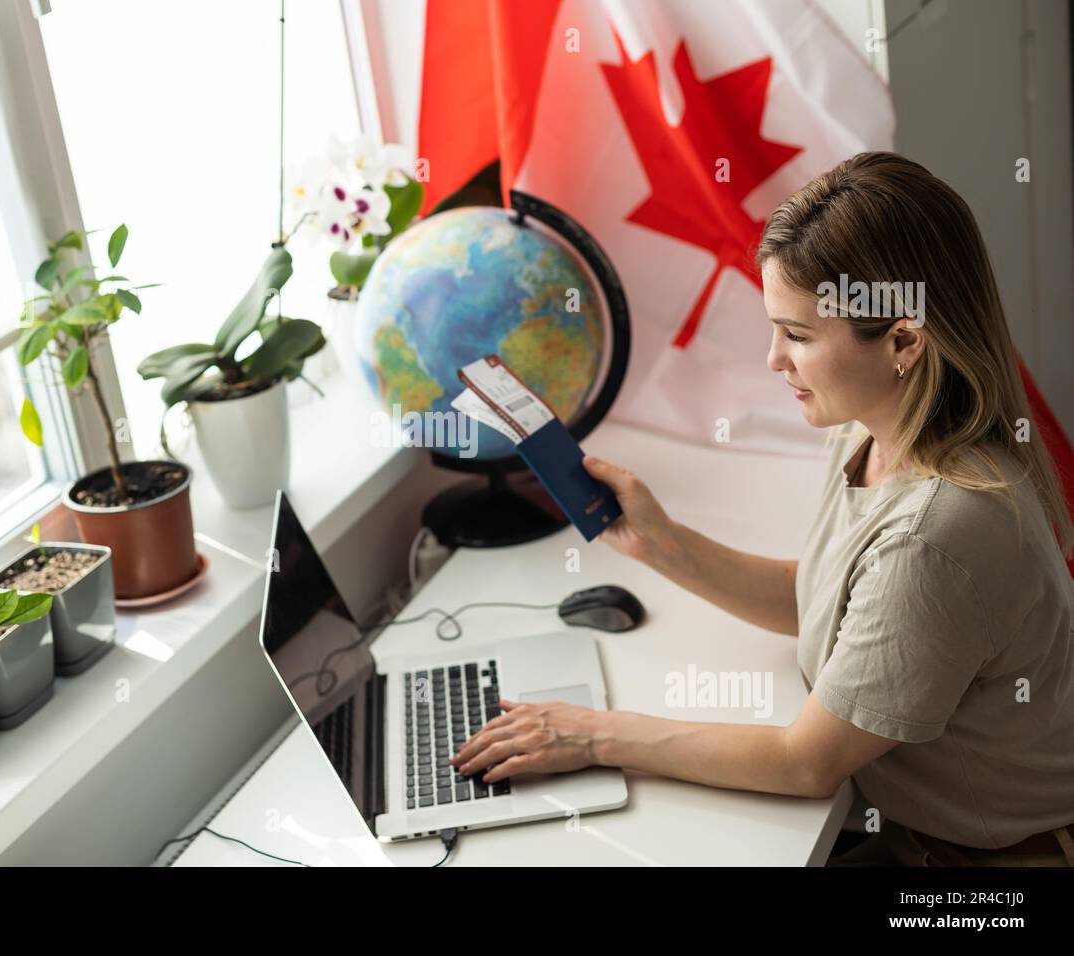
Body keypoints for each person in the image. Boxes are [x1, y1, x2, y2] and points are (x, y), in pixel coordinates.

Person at [450, 152, 1074, 866]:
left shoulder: (939, 534)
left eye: (799, 336)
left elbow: (804, 763)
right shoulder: (870, 427)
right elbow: (829, 602)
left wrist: (590, 737)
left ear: (903, 341)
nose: (774, 360)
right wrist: (661, 543)